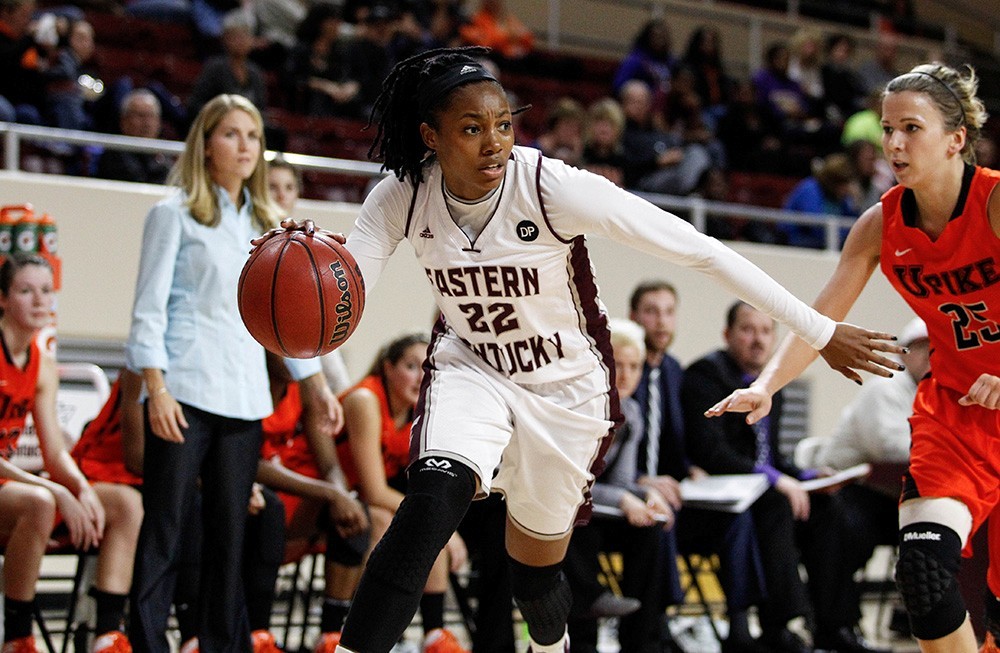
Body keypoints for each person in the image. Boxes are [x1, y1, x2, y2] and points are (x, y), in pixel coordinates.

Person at [257, 46, 900, 653]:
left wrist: (819, 328)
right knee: (431, 504)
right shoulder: (401, 193)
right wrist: (312, 266)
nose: (494, 144)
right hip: (471, 368)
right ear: (431, 136)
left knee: (535, 575)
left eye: (503, 125)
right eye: (472, 129)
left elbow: (699, 249)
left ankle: (551, 643)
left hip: (565, 389)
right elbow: (344, 302)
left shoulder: (553, 187)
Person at [704, 61, 997, 653]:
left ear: (956, 139)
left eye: (911, 128)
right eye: (887, 129)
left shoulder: (993, 203)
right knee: (924, 575)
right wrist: (766, 385)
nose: (892, 142)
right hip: (955, 419)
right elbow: (818, 320)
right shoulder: (879, 226)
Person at [126, 93, 341, 653]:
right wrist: (156, 389)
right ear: (206, 143)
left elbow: (287, 322)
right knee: (167, 530)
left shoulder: (271, 226)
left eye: (252, 135)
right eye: (231, 133)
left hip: (244, 400)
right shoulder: (171, 213)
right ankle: (147, 642)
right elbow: (148, 308)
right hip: (184, 393)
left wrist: (316, 386)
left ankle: (224, 643)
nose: (244, 145)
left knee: (230, 535)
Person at [684, 300, 890, 653]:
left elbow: (773, 456)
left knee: (829, 509)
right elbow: (711, 453)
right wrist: (775, 479)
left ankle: (834, 625)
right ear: (727, 335)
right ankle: (783, 623)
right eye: (748, 330)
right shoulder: (705, 375)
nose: (758, 340)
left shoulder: (770, 384)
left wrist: (811, 476)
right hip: (719, 496)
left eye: (766, 331)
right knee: (777, 502)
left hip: (760, 493)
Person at [0, 253, 143, 653]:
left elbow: (55, 454)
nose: (39, 301)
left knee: (126, 504)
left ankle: (106, 634)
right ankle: (17, 637)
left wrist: (78, 488)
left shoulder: (43, 365)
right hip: (15, 488)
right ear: (3, 299)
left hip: (12, 485)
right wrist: (58, 492)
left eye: (46, 291)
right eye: (25, 291)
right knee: (42, 501)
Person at [628, 283, 767, 653]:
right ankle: (658, 628)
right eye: (651, 311)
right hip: (631, 494)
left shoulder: (675, 371)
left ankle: (738, 628)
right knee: (660, 517)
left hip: (675, 493)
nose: (661, 321)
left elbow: (682, 439)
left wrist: (690, 469)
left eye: (668, 311)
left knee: (736, 518)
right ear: (633, 317)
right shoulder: (623, 369)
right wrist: (640, 480)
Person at [331, 333, 468, 653]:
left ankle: (434, 635)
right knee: (390, 518)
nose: (421, 377)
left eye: (427, 368)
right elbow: (375, 490)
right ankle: (357, 635)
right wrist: (449, 532)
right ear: (387, 367)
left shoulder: (418, 414)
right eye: (410, 366)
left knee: (422, 521)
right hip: (321, 499)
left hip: (354, 506)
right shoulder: (365, 400)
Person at [809, 317, 930, 642]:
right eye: (922, 350)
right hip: (844, 488)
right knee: (845, 532)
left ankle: (913, 614)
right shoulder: (887, 385)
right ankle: (837, 626)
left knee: (935, 533)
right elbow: (888, 446)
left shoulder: (928, 393)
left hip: (891, 495)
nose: (931, 358)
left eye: (936, 351)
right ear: (903, 353)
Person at [563, 317, 669, 653]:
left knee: (651, 530)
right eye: (618, 365)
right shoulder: (582, 408)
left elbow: (621, 481)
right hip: (567, 503)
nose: (626, 375)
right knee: (582, 528)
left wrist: (646, 495)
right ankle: (582, 641)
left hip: (599, 505)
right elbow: (572, 481)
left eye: (635, 367)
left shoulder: (633, 413)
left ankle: (641, 641)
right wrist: (625, 499)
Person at [258, 352, 369, 653]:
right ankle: (259, 632)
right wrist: (331, 494)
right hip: (256, 490)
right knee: (269, 511)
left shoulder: (302, 390)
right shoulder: (249, 384)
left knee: (357, 517)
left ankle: (332, 634)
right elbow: (252, 463)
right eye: (281, 350)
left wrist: (342, 497)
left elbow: (330, 463)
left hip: (293, 488)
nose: (291, 358)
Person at [95, 89, 173, 185]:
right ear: (124, 121)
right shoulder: (114, 153)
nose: (147, 123)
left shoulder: (164, 153)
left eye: (152, 116)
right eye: (141, 116)